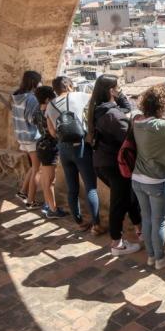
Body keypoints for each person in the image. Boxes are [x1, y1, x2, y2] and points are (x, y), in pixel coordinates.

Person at [87, 75, 143, 256]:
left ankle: (140, 230)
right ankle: (116, 244)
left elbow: (125, 108)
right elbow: (129, 137)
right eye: (117, 88)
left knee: (129, 197)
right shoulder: (112, 115)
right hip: (115, 165)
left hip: (102, 162)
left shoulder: (98, 110)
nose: (120, 90)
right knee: (119, 203)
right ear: (111, 90)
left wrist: (121, 97)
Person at [131, 85, 165, 269]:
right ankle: (160, 258)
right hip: (157, 181)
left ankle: (151, 255)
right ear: (163, 105)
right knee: (158, 221)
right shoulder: (159, 126)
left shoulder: (137, 121)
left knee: (146, 218)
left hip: (137, 178)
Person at [46, 76, 103, 234]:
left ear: (55, 90)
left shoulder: (50, 106)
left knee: (72, 189)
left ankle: (79, 222)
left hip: (64, 148)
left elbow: (51, 131)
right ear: (69, 86)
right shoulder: (78, 95)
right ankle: (96, 225)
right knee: (90, 187)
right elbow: (96, 97)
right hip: (81, 147)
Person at [10, 70, 43, 210]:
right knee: (37, 169)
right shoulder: (31, 99)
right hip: (32, 137)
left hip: (22, 136)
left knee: (33, 167)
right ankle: (31, 201)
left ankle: (23, 192)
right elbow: (32, 119)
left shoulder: (17, 96)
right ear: (34, 82)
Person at [32, 85, 66, 219]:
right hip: (49, 147)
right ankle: (52, 209)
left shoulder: (36, 112)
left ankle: (50, 205)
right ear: (47, 99)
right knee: (49, 180)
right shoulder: (49, 112)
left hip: (41, 144)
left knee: (47, 179)